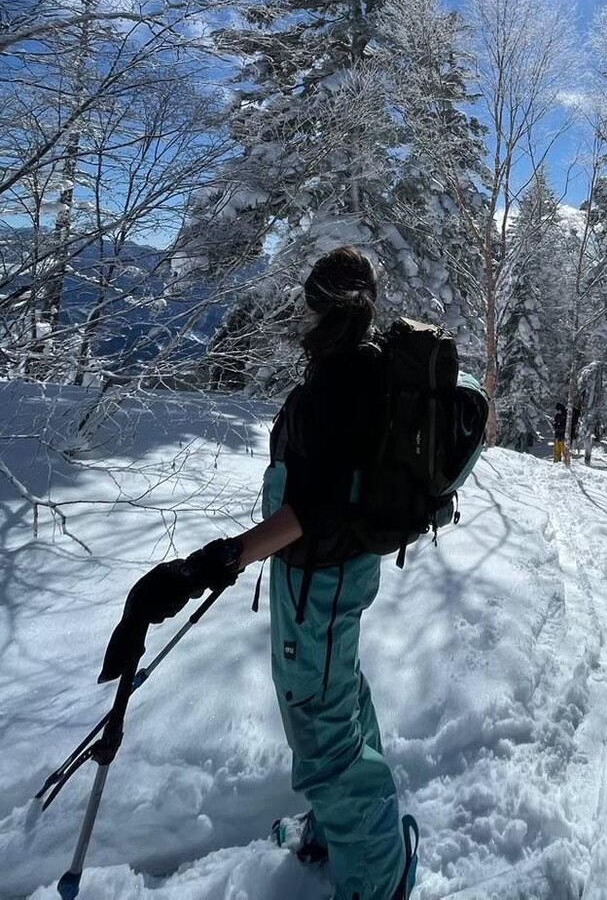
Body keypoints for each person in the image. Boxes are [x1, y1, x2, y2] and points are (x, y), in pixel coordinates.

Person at [98, 247, 418, 900]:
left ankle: (379, 880)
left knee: (323, 728)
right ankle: (340, 829)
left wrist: (225, 557)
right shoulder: (359, 369)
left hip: (319, 577)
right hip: (332, 575)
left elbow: (317, 506)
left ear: (318, 305)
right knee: (336, 698)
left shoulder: (343, 381)